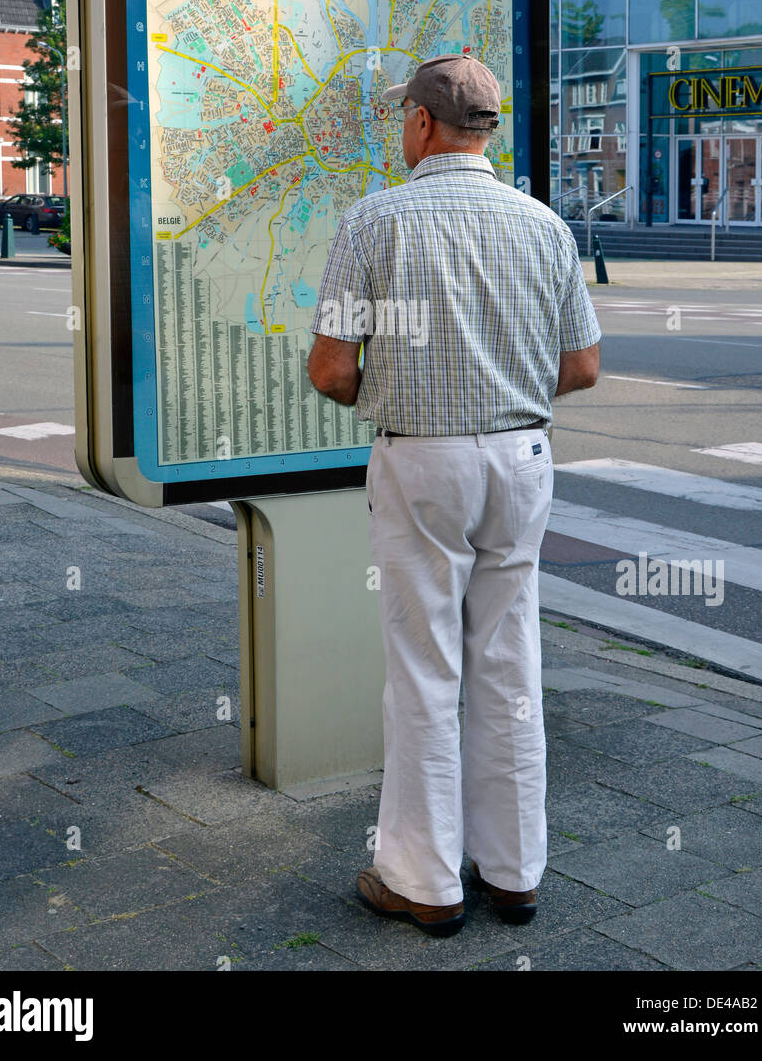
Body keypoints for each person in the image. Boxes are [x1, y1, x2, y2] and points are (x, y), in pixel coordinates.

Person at [307, 53, 601, 937]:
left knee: (424, 669)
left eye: (405, 117)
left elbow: (330, 369)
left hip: (421, 463)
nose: (402, 129)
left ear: (426, 124)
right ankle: (514, 874)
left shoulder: (375, 221)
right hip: (522, 460)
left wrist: (396, 391)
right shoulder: (544, 224)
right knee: (510, 664)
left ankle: (425, 882)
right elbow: (582, 366)